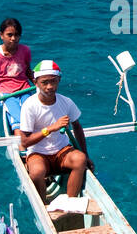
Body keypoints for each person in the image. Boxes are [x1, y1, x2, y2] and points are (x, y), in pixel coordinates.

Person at [18, 61, 94, 200]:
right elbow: (25, 142)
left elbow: (77, 127)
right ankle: (44, 206)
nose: (50, 87)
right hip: (38, 153)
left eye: (53, 82)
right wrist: (51, 128)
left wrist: (86, 154)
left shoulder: (66, 102)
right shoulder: (29, 106)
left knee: (80, 160)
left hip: (61, 152)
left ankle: (70, 203)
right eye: (44, 82)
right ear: (36, 83)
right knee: (36, 173)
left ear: (59, 80)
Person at [0, 18, 33, 134]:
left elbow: (28, 71)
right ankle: (22, 150)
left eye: (16, 35)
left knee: (32, 116)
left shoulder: (25, 50)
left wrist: (37, 83)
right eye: (9, 35)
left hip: (25, 89)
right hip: (6, 94)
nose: (13, 39)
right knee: (20, 122)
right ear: (1, 35)